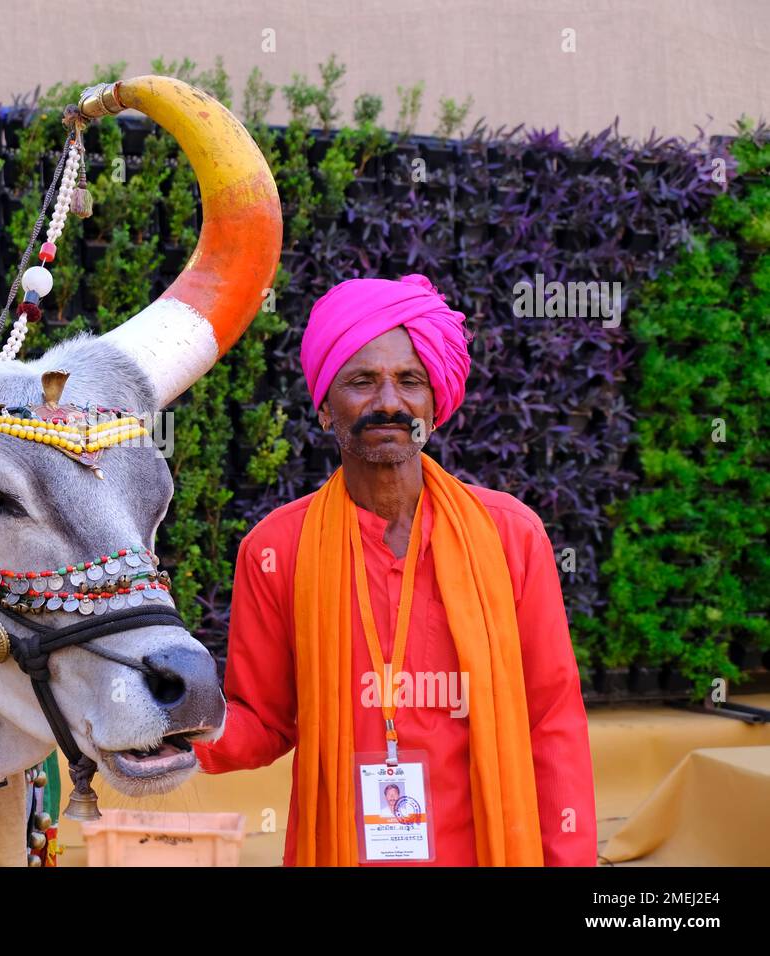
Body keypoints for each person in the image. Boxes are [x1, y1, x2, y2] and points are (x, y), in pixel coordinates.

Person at [192, 274, 597, 866]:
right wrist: (165, 727)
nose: (388, 402)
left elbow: (552, 718)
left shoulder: (510, 534)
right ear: (327, 408)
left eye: (409, 380)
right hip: (342, 849)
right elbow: (264, 720)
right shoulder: (276, 549)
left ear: (434, 402)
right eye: (361, 381)